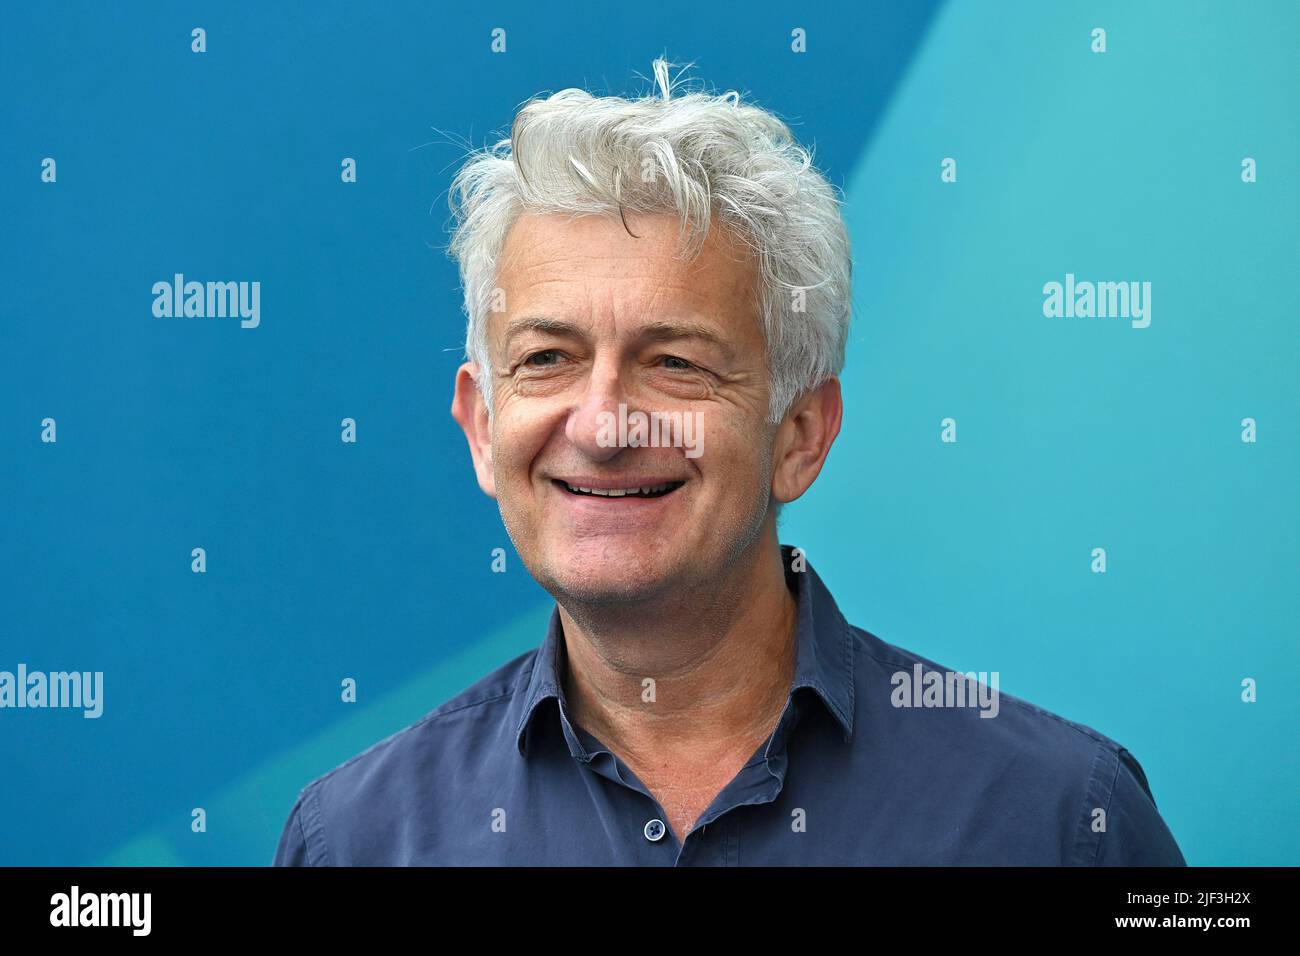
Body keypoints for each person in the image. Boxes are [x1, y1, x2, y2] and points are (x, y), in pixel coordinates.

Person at [273, 59, 1185, 866]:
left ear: (800, 435)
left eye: (676, 363)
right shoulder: (356, 839)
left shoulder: (1061, 822)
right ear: (482, 425)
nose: (603, 424)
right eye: (546, 358)